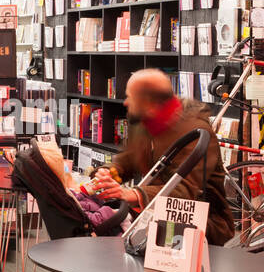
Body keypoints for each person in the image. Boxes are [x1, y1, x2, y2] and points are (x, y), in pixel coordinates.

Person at [91, 69, 235, 245]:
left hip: (201, 222)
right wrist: (109, 172)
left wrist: (135, 194)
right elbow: (129, 158)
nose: (126, 102)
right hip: (156, 213)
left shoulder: (196, 133)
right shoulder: (146, 121)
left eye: (131, 97)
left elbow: (185, 191)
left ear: (148, 103)